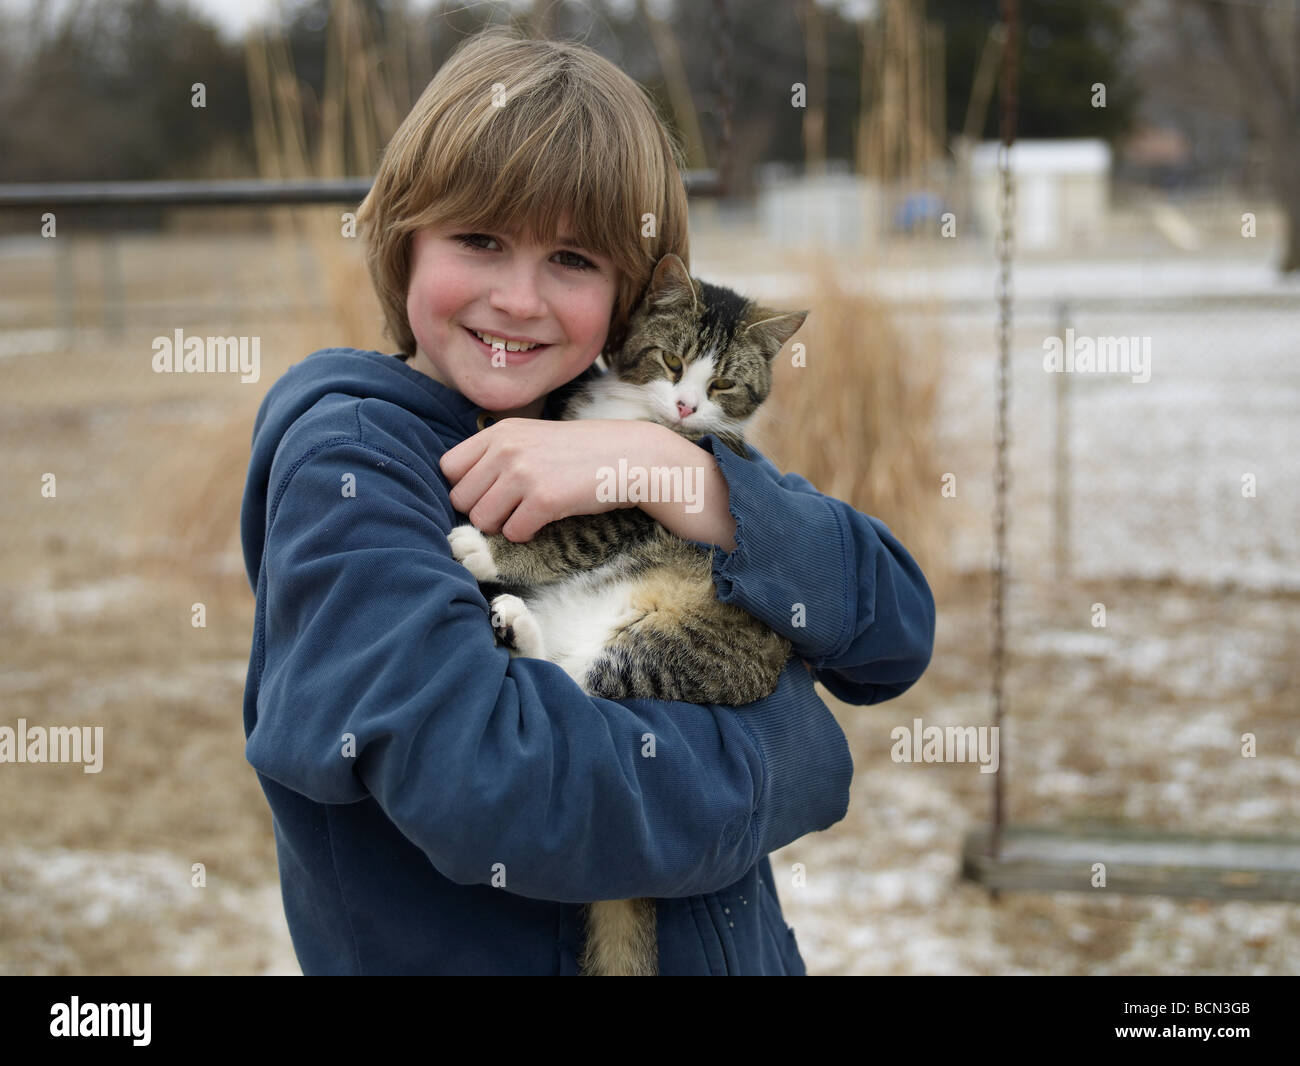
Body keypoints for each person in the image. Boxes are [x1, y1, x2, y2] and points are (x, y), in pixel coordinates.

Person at [239, 28, 935, 976]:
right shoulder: (352, 472)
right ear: (402, 243)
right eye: (479, 240)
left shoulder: (637, 430)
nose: (519, 299)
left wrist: (675, 476)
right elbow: (507, 791)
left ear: (633, 295)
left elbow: (893, 630)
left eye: (572, 259)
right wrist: (790, 747)